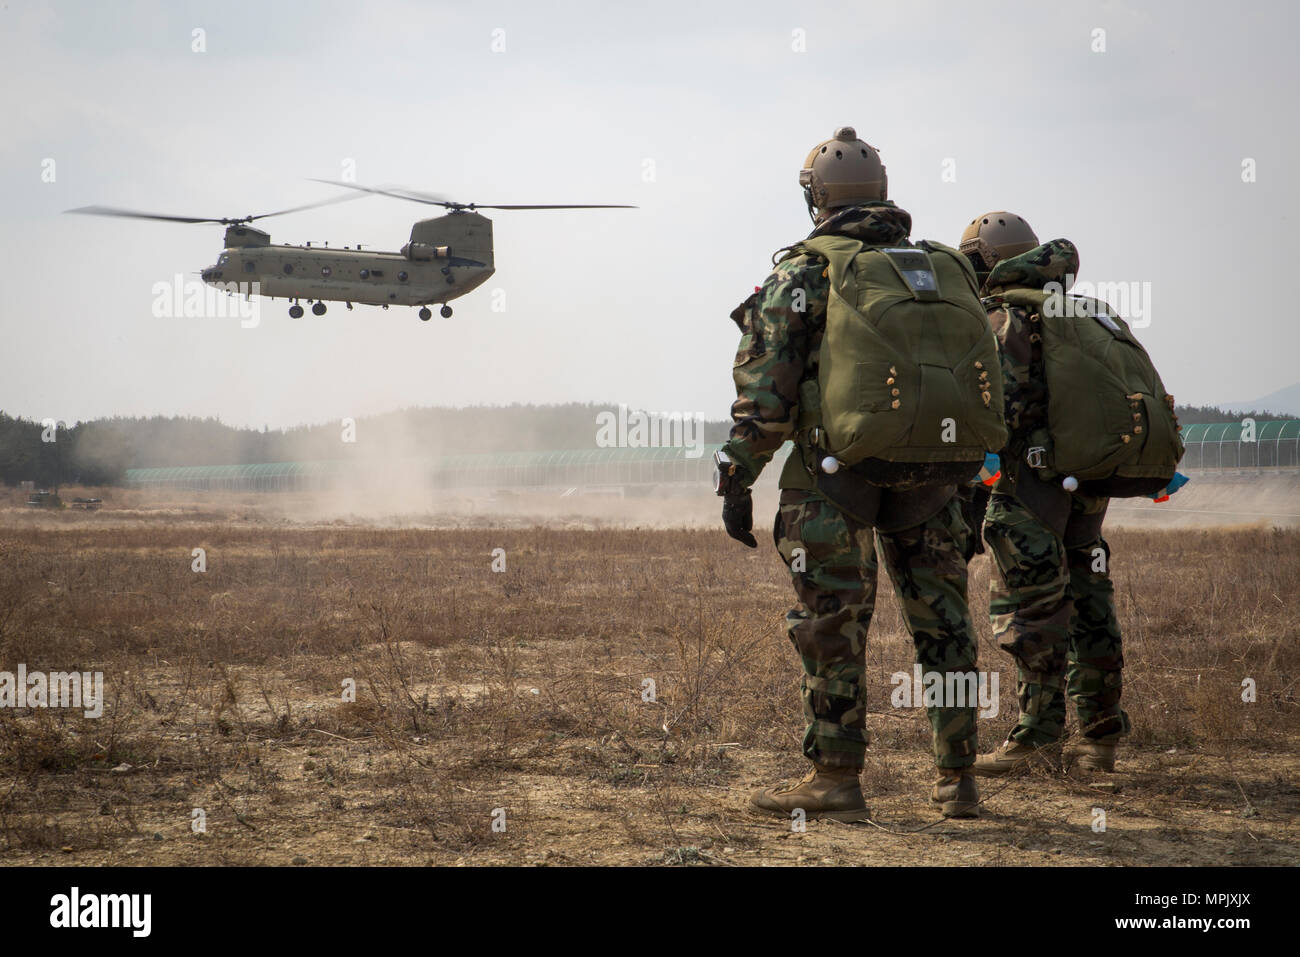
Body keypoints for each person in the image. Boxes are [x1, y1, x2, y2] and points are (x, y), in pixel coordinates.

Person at [716, 128, 1001, 820]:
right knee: (946, 628)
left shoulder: (806, 269)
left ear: (815, 196)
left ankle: (837, 778)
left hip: (831, 476)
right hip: (936, 476)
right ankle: (958, 777)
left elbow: (768, 392)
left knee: (833, 626)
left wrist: (738, 474)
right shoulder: (940, 267)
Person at [958, 213, 1134, 774]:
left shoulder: (1006, 319)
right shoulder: (1082, 312)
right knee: (1089, 596)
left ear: (986, 260)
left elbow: (996, 411)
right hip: (1086, 483)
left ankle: (1036, 737)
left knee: (1032, 609)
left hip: (1028, 486)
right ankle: (1100, 735)